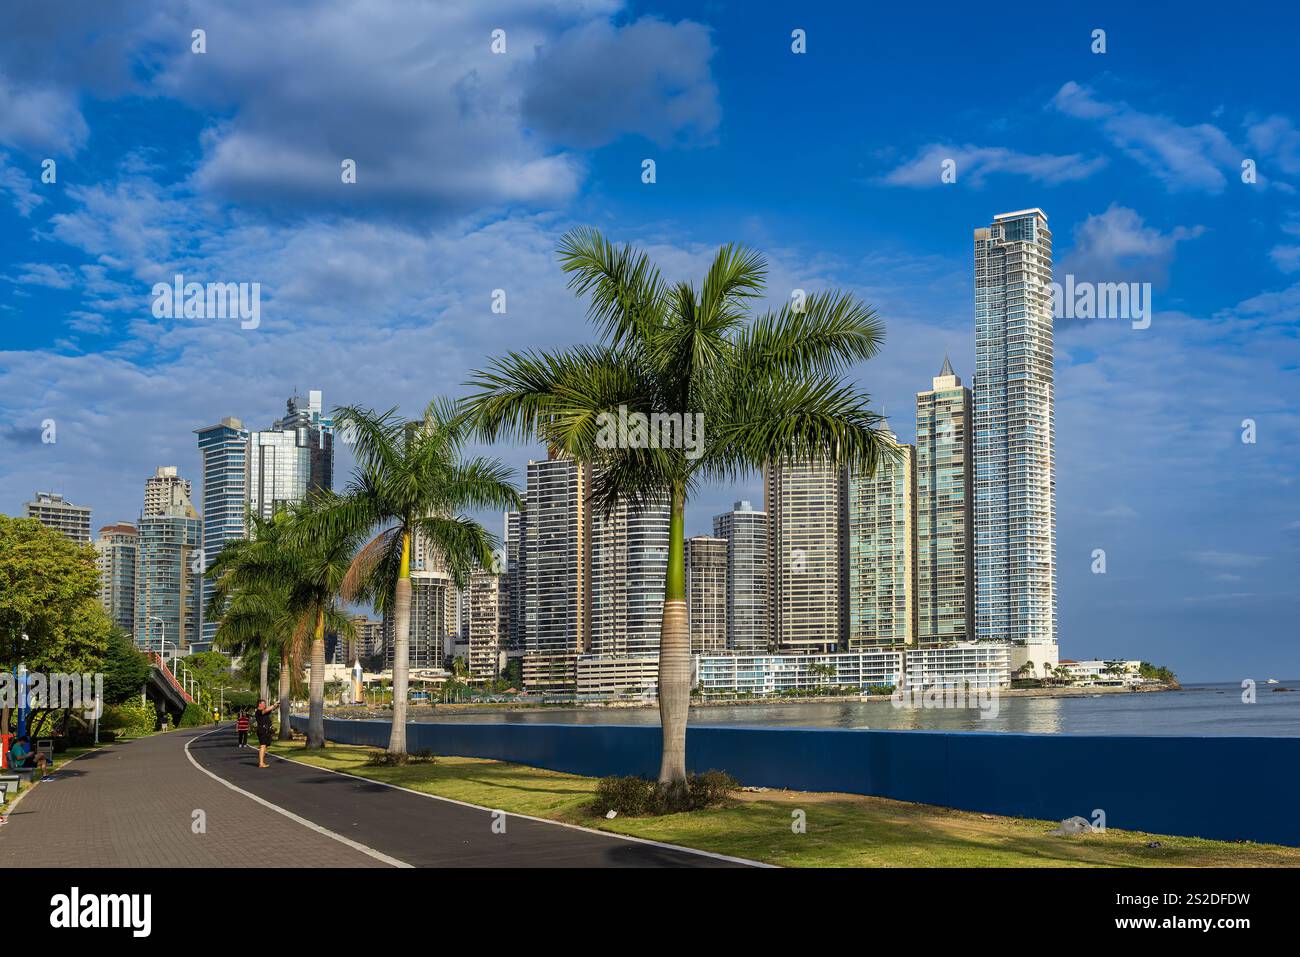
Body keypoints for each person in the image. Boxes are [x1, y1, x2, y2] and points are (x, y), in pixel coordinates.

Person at [254, 698, 278, 768]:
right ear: (259, 704)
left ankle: (262, 762)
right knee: (263, 745)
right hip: (262, 730)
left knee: (265, 746)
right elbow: (266, 710)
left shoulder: (264, 711)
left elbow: (269, 710)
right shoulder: (258, 711)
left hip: (266, 730)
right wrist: (273, 705)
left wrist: (276, 705)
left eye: (265, 704)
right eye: (263, 703)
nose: (265, 705)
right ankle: (261, 763)